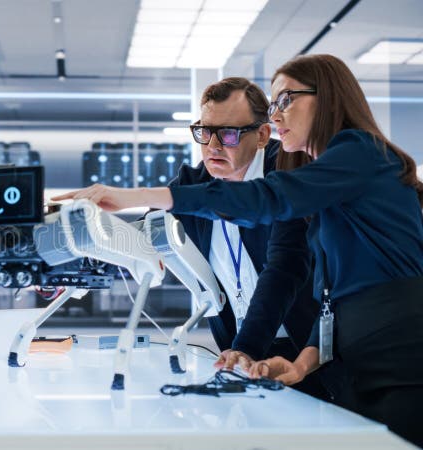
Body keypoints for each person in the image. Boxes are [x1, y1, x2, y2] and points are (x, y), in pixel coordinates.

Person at [54, 54, 423, 446]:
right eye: (204, 132)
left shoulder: (355, 150)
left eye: (285, 100)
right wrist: (302, 364)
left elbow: (272, 224)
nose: (276, 114)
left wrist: (128, 195)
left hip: (395, 348)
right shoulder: (325, 179)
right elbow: (331, 291)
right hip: (348, 350)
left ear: (327, 97)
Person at [165, 77, 327, 399]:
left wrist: (246, 346)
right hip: (237, 351)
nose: (213, 146)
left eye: (227, 134)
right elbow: (144, 233)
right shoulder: (194, 183)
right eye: (205, 132)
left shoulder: (289, 176)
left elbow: (283, 270)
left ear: (263, 134)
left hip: (308, 348)